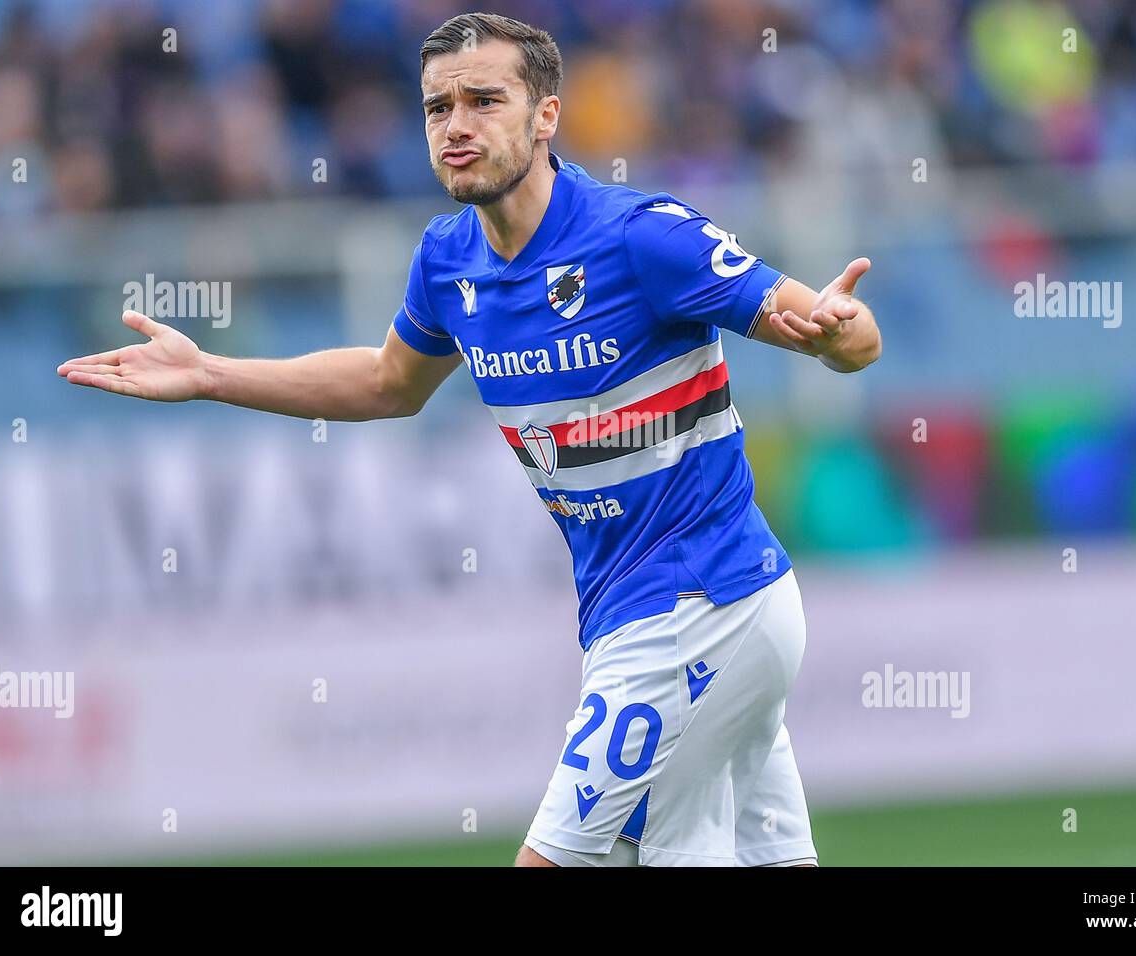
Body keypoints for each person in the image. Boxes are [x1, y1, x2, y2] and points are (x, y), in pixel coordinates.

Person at [58, 12, 881, 867]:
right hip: (672, 612)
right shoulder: (449, 261)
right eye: (436, 107)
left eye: (484, 100)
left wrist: (836, 331)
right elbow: (387, 384)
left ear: (547, 115)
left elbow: (845, 337)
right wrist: (210, 375)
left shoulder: (643, 236)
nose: (456, 126)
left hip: (697, 608)